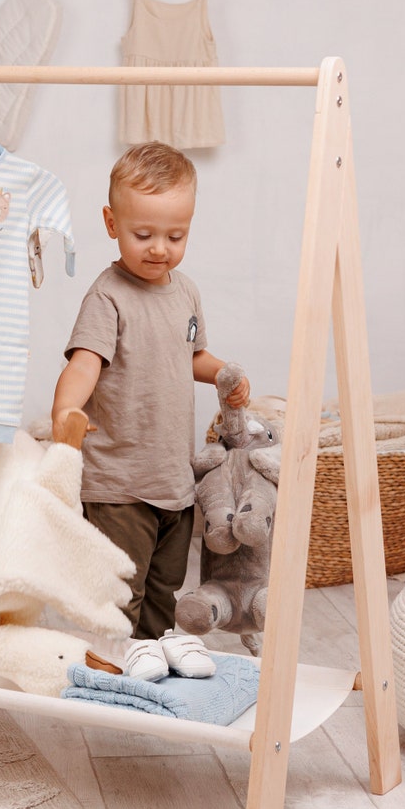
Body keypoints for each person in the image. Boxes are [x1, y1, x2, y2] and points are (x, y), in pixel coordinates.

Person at [51, 142, 250, 667]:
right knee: (122, 579)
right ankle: (108, 656)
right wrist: (66, 411)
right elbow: (84, 363)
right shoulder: (107, 296)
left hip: (171, 476)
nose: (159, 247)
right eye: (144, 235)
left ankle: (151, 652)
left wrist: (224, 375)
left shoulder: (185, 292)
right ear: (112, 223)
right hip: (118, 477)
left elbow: (193, 355)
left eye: (175, 235)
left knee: (165, 581)